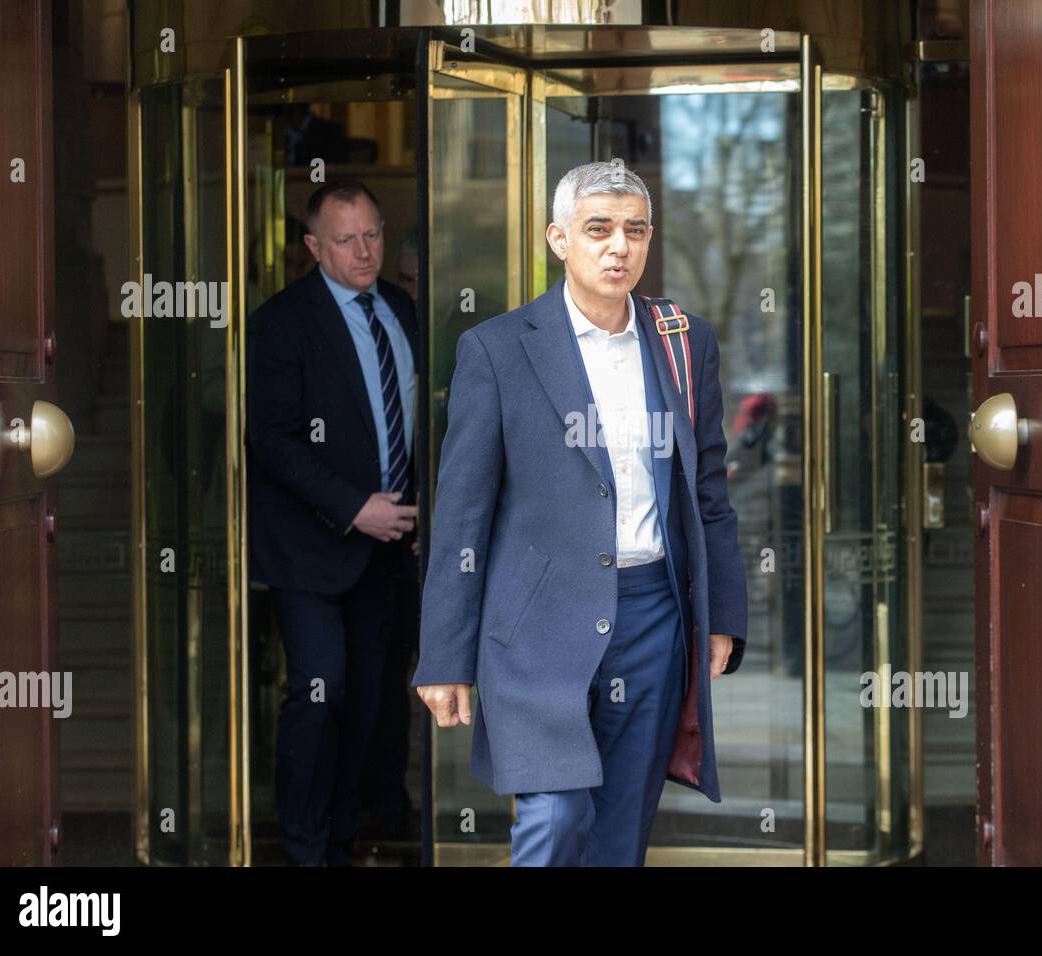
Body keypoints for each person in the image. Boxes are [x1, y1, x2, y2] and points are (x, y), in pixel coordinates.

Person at [412, 160, 747, 866]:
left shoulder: (686, 344)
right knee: (555, 817)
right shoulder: (497, 350)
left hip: (651, 615)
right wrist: (444, 655)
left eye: (634, 230)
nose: (618, 246)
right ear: (558, 239)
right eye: (598, 229)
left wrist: (723, 617)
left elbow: (708, 492)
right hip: (535, 625)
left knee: (620, 831)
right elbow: (462, 516)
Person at [246, 179, 420, 865]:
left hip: (390, 552)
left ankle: (346, 837)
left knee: (372, 706)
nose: (364, 250)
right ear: (314, 247)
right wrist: (353, 508)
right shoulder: (282, 322)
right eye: (346, 240)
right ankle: (305, 846)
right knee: (319, 693)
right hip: (311, 552)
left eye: (372, 233)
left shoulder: (402, 309)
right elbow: (273, 438)